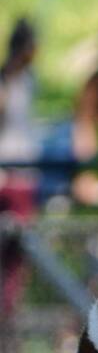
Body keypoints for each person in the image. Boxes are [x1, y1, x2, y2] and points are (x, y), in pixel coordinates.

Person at [0, 19, 38, 328]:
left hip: (22, 179)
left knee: (17, 262)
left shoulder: (27, 79)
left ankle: (9, 324)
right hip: (8, 179)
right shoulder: (9, 79)